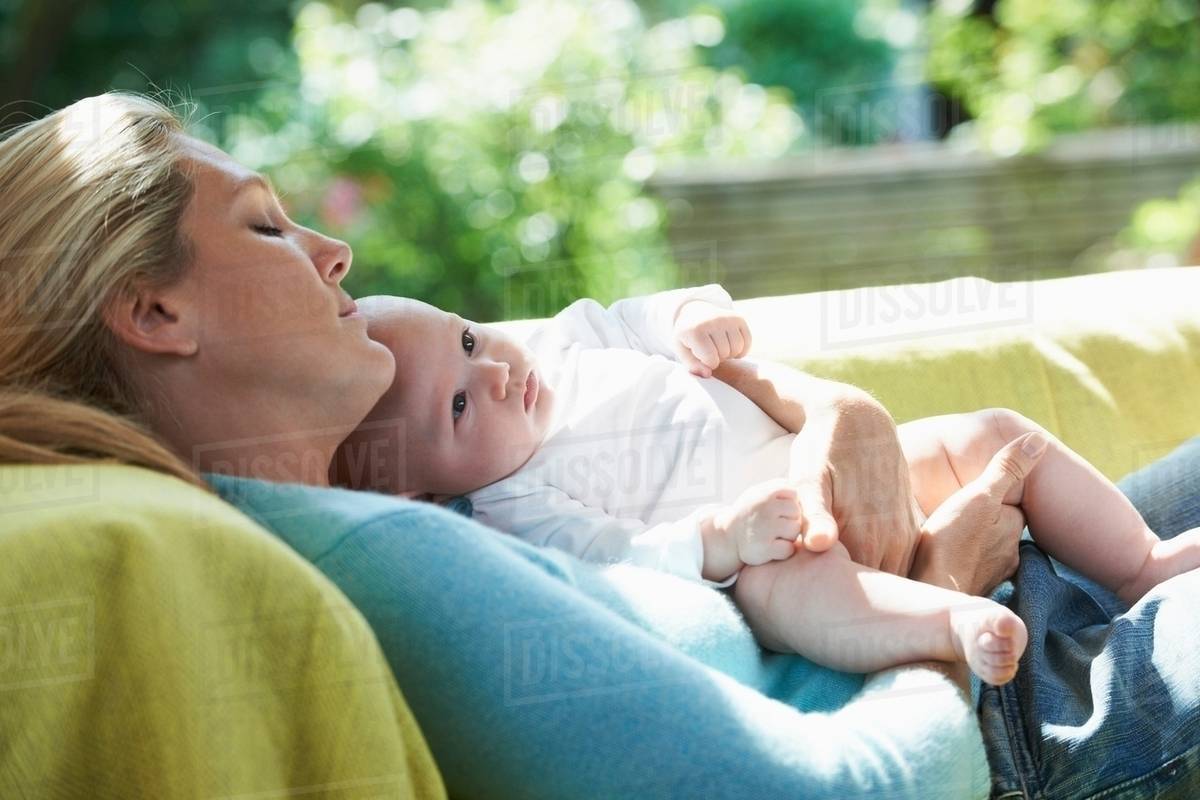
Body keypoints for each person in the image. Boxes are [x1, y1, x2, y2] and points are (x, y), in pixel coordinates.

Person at [2, 93, 1198, 798]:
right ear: (156, 312)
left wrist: (836, 412)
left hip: (1012, 611)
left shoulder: (407, 469)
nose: (333, 251)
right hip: (1024, 720)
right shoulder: (377, 554)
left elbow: (588, 364)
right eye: (266, 224)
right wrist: (940, 592)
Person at [335, 291, 1200, 686]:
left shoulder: (565, 343)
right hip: (779, 542)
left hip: (830, 466)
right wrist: (723, 540)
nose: (488, 375)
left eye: (469, 341)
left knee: (997, 434)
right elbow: (622, 557)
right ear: (419, 494)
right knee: (787, 591)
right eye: (455, 406)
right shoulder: (514, 511)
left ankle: (1138, 565)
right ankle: (949, 623)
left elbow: (643, 315)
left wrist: (688, 323)